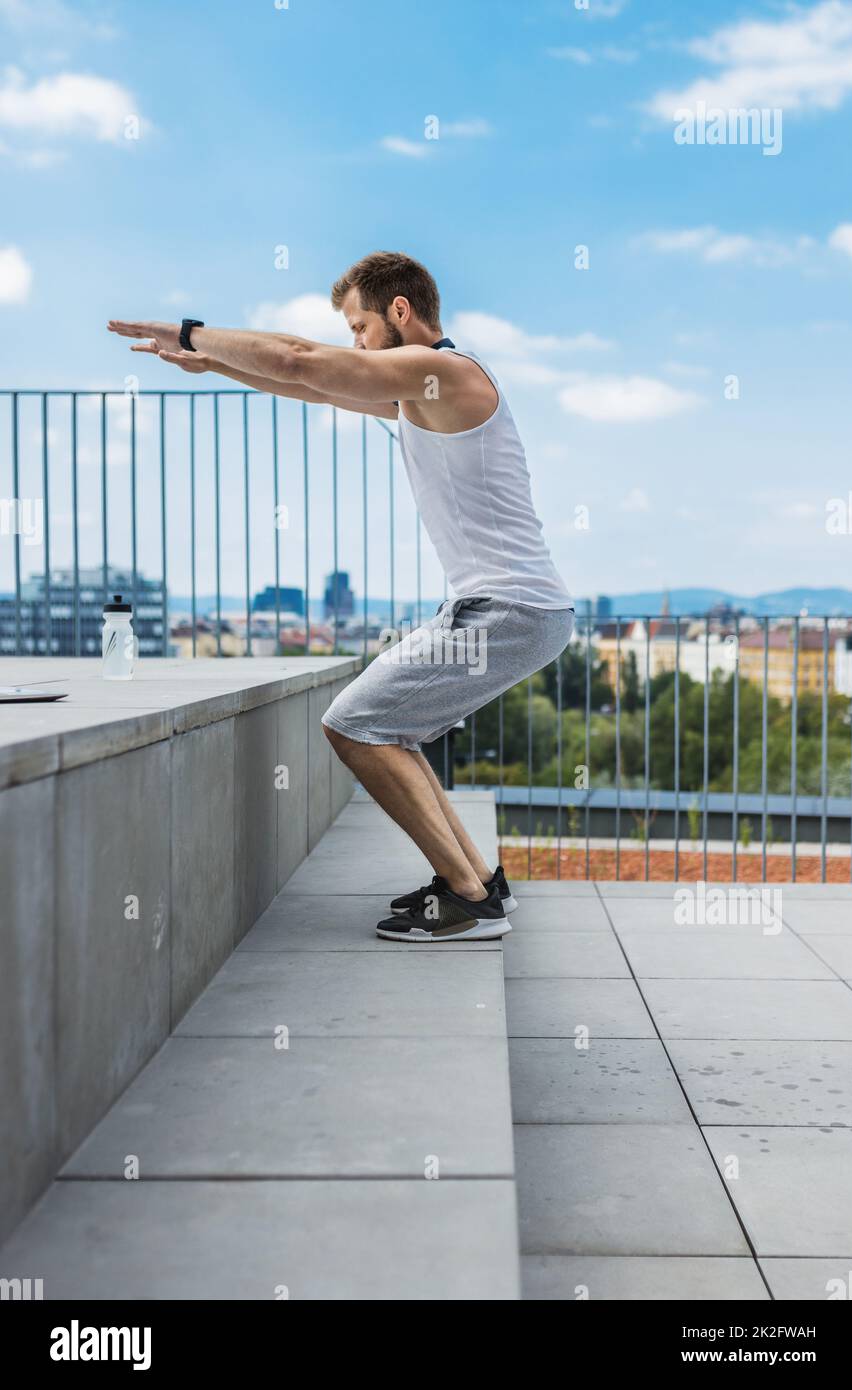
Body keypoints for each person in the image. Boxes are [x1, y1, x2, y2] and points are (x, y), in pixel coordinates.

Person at [108, 251, 574, 942]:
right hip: (505, 609)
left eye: (359, 327)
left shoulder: (446, 373)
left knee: (354, 723)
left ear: (400, 311)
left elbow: (300, 359)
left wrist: (191, 332)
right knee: (385, 726)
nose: (354, 344)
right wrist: (217, 365)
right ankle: (479, 883)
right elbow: (317, 387)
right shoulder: (424, 391)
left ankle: (467, 900)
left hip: (510, 610)